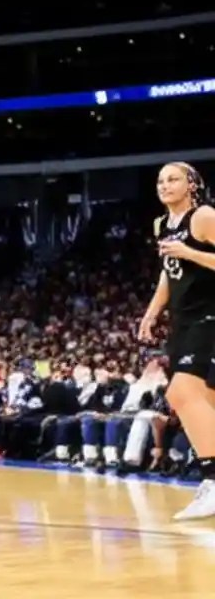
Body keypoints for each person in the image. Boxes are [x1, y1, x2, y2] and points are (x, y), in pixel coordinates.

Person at [138, 161, 215, 520]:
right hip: (182, 320)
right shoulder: (160, 225)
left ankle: (212, 480)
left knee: (181, 393)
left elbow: (188, 259)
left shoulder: (203, 217)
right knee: (204, 401)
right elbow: (169, 274)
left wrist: (191, 252)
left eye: (173, 179)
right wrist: (153, 312)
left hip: (209, 314)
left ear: (191, 185)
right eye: (160, 180)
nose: (165, 184)